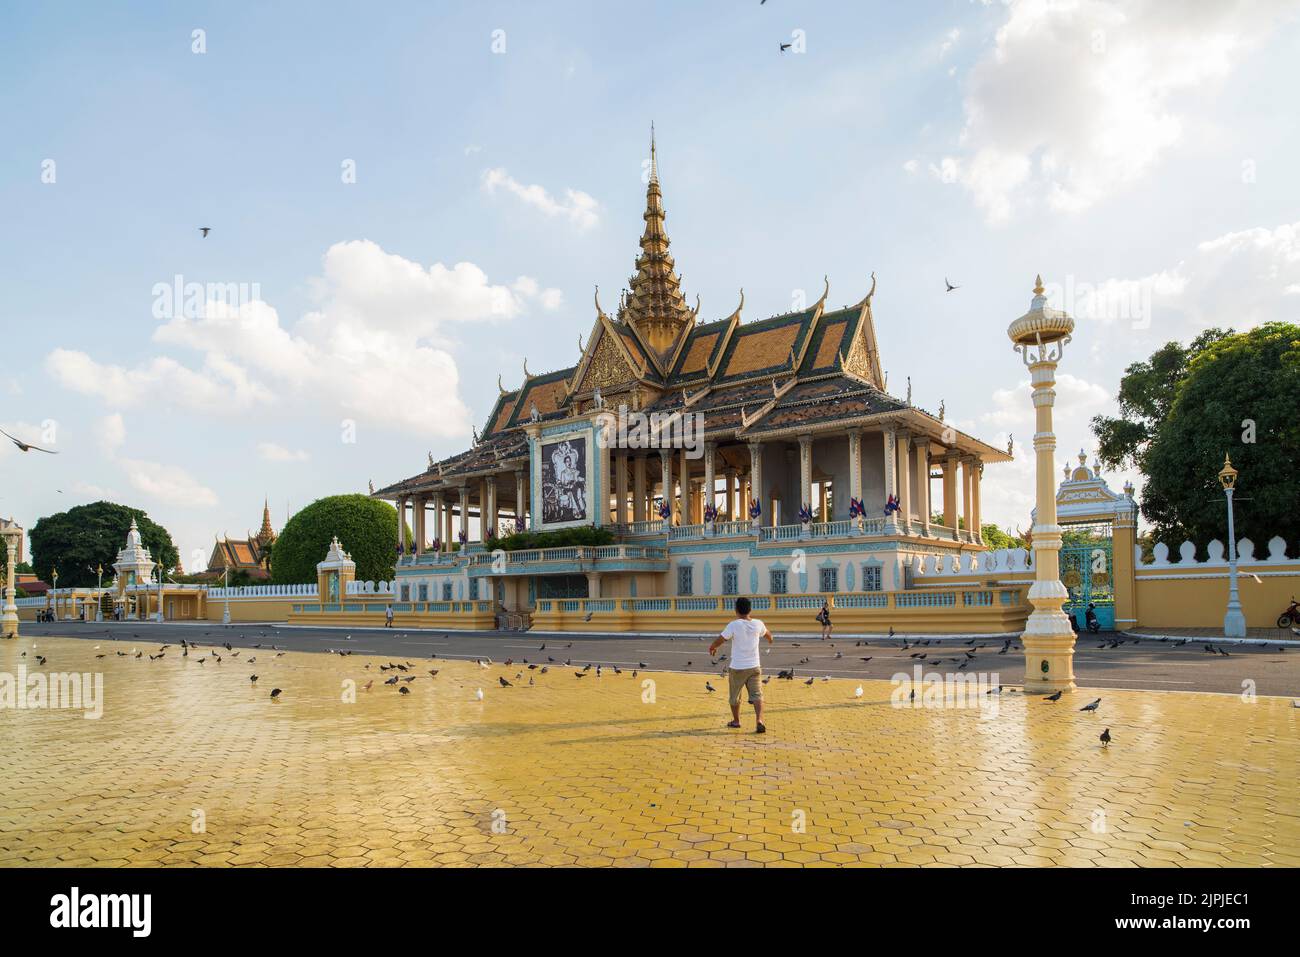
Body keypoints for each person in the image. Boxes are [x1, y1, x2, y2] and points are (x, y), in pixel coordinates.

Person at [709, 597, 773, 734]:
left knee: (735, 696)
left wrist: (712, 647)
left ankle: (736, 721)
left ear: (736, 610)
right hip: (754, 666)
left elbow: (721, 639)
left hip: (737, 667)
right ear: (750, 610)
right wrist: (769, 640)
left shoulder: (734, 625)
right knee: (757, 694)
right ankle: (759, 720)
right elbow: (769, 635)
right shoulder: (758, 623)